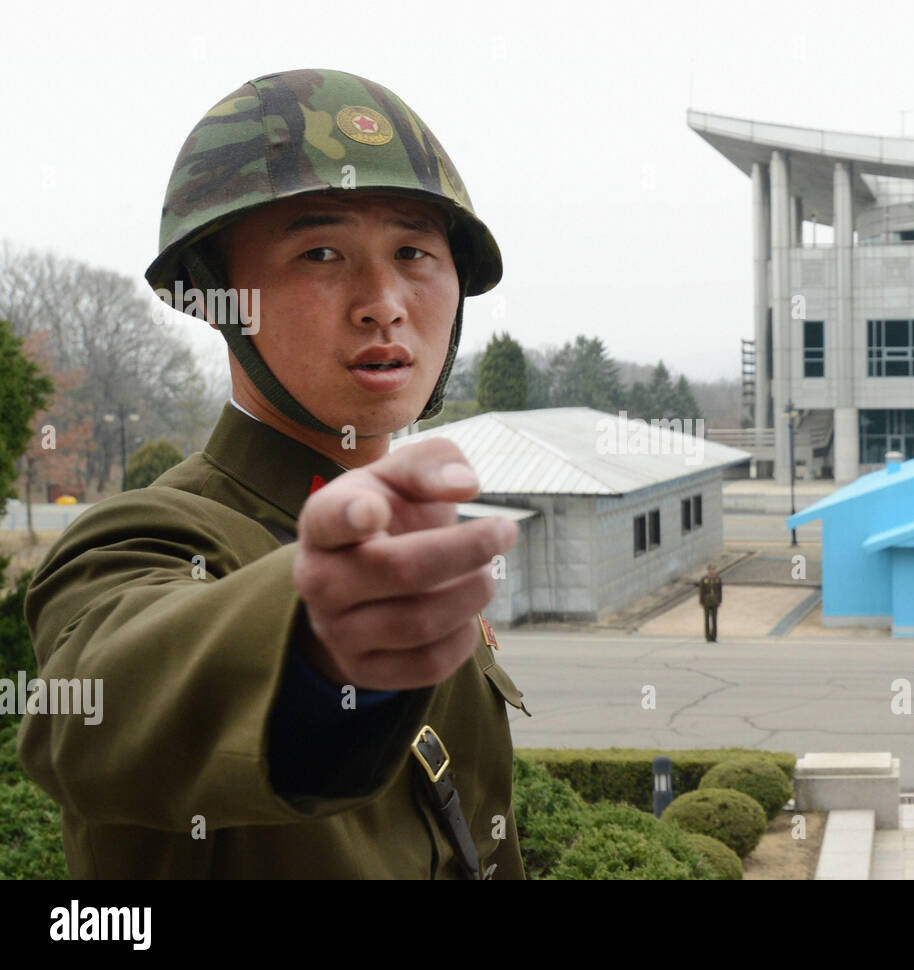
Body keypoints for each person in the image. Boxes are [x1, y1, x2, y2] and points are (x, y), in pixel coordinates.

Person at [17, 69, 531, 879]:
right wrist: (307, 652)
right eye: (321, 252)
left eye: (413, 252)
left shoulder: (413, 535)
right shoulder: (144, 539)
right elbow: (94, 709)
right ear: (219, 297)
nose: (383, 301)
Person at [699, 565, 723, 642]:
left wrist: (720, 601)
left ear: (715, 570)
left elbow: (720, 591)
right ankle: (707, 636)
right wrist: (701, 602)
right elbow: (701, 591)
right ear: (708, 570)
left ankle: (714, 636)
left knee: (714, 620)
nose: (711, 571)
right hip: (706, 601)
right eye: (710, 570)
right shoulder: (704, 579)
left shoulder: (718, 579)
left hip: (715, 601)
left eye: (713, 569)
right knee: (706, 620)